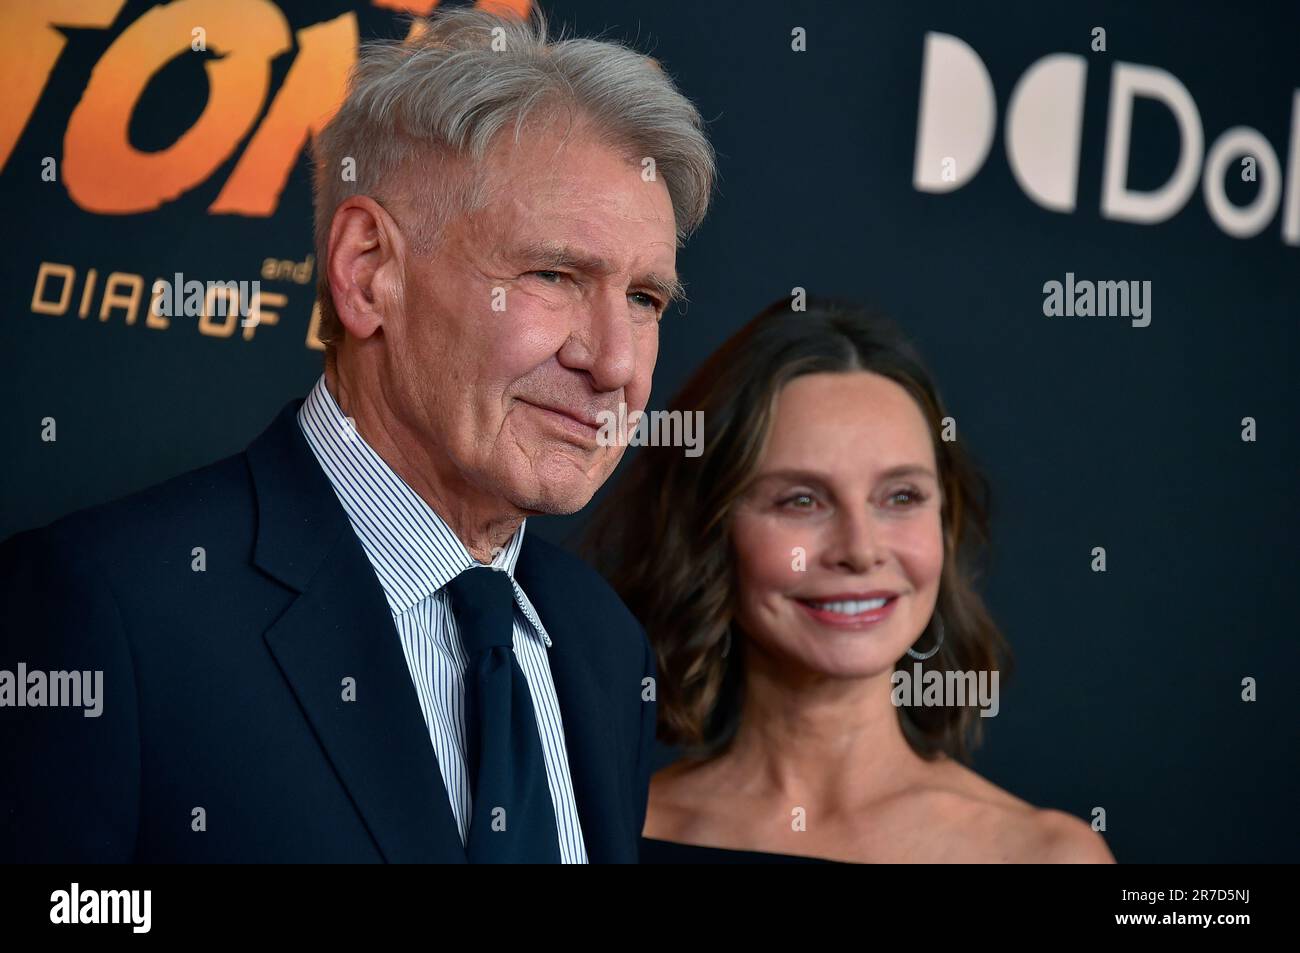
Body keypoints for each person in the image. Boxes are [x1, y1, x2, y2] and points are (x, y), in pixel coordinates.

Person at [0, 7, 715, 863]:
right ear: (369, 271)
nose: (614, 364)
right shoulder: (108, 612)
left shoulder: (600, 644)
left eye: (644, 299)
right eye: (554, 274)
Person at [586, 296, 1116, 863]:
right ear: (708, 533)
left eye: (901, 496)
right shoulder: (602, 830)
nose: (860, 551)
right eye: (802, 500)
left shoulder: (1045, 855)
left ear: (947, 521)